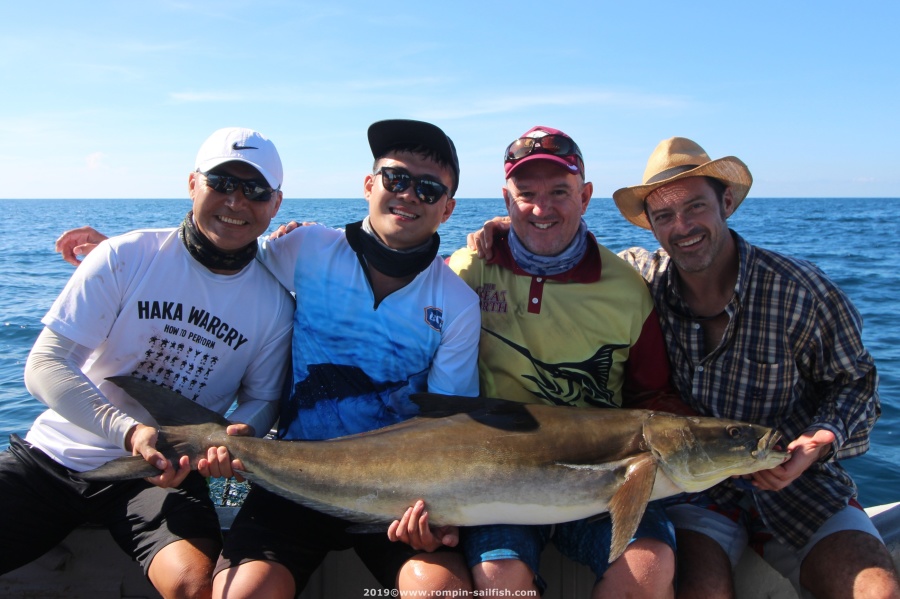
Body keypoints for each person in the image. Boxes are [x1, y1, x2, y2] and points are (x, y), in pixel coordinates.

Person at [52, 120, 482, 598]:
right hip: (292, 481)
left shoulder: (458, 304)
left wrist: (440, 512)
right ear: (368, 184)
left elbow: (446, 428)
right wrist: (120, 252)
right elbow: (221, 255)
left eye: (428, 189)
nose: (407, 195)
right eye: (395, 179)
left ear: (447, 208)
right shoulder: (307, 247)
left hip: (397, 496)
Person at [0, 127, 294, 599]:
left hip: (166, 477)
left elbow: (262, 399)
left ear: (275, 204)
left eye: (255, 190)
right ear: (192, 184)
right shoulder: (125, 255)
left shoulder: (276, 302)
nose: (236, 201)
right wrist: (129, 432)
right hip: (55, 460)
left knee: (194, 586)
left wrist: (231, 438)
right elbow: (45, 364)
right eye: (221, 183)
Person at [611, 137, 900, 598]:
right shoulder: (640, 280)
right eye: (663, 216)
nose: (682, 226)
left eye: (695, 207)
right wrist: (506, 230)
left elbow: (857, 384)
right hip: (697, 487)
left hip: (800, 479)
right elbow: (569, 255)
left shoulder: (801, 290)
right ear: (651, 226)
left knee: (877, 590)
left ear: (726, 202)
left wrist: (817, 443)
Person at [435, 126, 687, 599]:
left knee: (649, 568)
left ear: (585, 196)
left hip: (602, 475)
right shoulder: (469, 268)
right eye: (526, 194)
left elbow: (651, 394)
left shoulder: (626, 289)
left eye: (559, 192)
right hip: (498, 474)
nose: (541, 208)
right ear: (506, 200)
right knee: (499, 579)